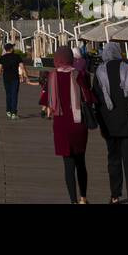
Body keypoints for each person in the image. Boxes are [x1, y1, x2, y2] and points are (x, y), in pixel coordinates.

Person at [29, 45, 94, 203]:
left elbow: (44, 101)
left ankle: (72, 200)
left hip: (61, 126)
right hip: (78, 125)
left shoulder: (51, 77)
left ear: (57, 59)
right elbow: (90, 98)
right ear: (71, 58)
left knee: (68, 166)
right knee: (81, 163)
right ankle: (83, 198)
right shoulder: (79, 75)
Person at [92, 42, 128, 204]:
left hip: (109, 125)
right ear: (119, 53)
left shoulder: (100, 72)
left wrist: (100, 122)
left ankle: (115, 196)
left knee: (113, 161)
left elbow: (96, 99)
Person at [0, 43, 29, 119]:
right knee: (14, 95)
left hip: (6, 78)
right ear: (11, 49)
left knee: (8, 94)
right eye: (13, 47)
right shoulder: (17, 56)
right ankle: (14, 113)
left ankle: (8, 111)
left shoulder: (2, 58)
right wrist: (26, 77)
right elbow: (22, 67)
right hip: (15, 78)